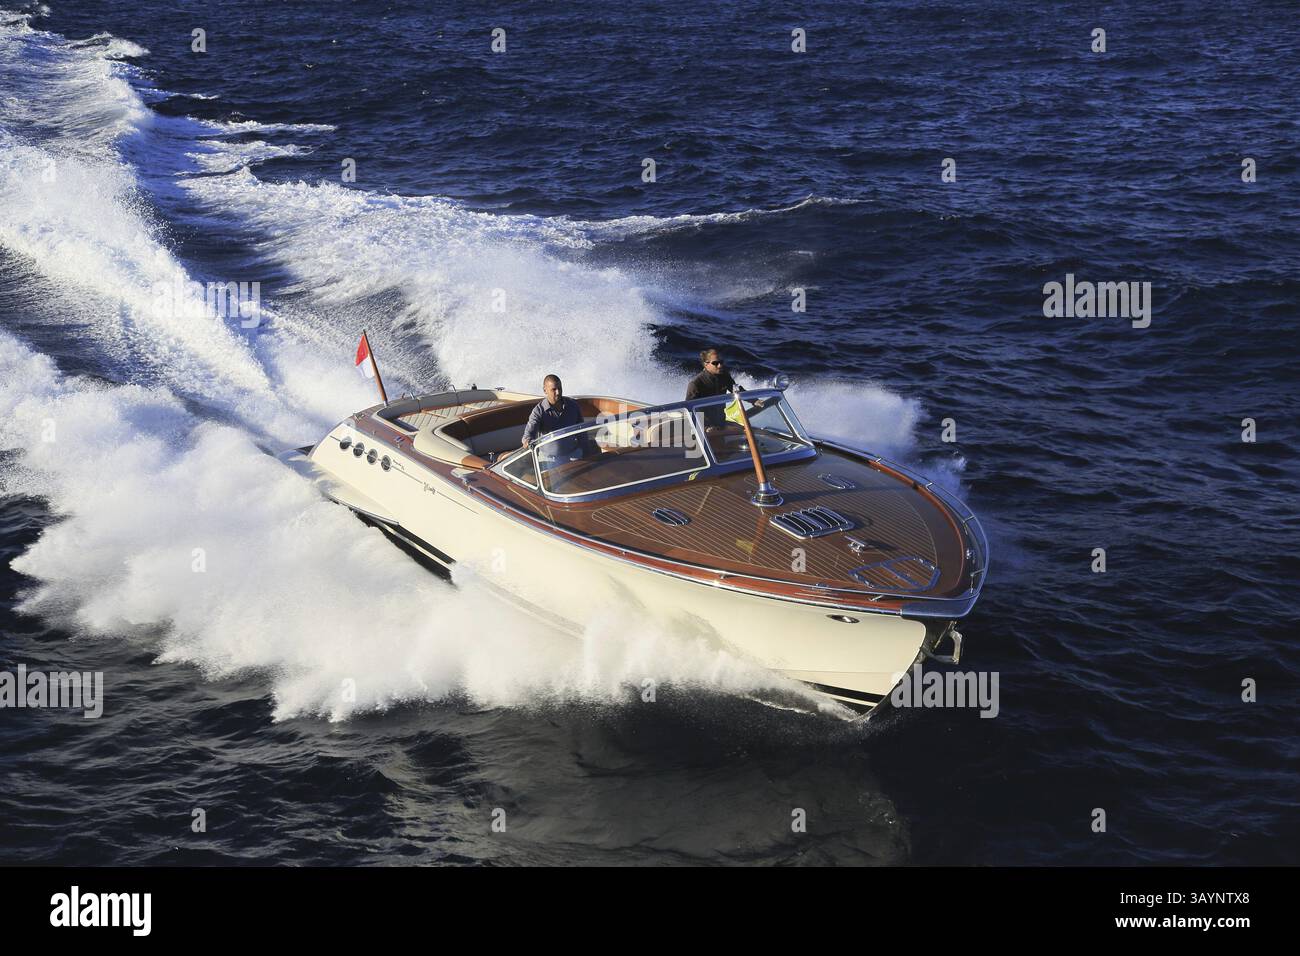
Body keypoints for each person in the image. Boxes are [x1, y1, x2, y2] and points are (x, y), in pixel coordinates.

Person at [522, 374, 584, 461]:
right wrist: (528, 441)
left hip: (573, 454)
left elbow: (582, 433)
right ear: (545, 390)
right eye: (554, 389)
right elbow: (528, 435)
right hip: (549, 459)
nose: (558, 392)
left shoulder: (573, 405)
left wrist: (588, 454)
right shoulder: (538, 411)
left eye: (560, 388)